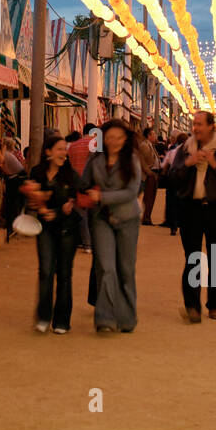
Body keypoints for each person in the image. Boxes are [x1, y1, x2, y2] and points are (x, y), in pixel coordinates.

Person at [168, 111, 216, 322]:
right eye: (194, 124)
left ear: (211, 126)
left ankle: (215, 305)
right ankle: (192, 306)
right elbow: (172, 178)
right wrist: (188, 163)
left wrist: (215, 164)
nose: (196, 128)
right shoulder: (185, 150)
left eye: (200, 124)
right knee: (192, 258)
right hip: (190, 208)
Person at [82, 118, 142, 333]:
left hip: (128, 219)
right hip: (101, 219)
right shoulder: (95, 158)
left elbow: (131, 192)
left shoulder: (132, 160)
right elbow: (84, 182)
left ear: (125, 139)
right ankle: (105, 318)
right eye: (109, 137)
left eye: (118, 138)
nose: (114, 142)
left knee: (126, 269)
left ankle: (127, 318)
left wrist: (102, 197)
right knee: (106, 267)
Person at [21, 134, 84, 333]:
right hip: (45, 229)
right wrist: (41, 208)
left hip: (67, 229)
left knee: (64, 274)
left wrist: (62, 209)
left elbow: (76, 200)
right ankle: (43, 317)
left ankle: (62, 321)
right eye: (59, 149)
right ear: (48, 152)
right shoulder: (37, 172)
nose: (64, 153)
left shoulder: (71, 175)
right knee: (45, 271)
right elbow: (31, 196)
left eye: (65, 149)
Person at [138, 127, 160, 225]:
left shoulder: (151, 145)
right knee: (148, 197)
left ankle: (147, 217)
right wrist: (149, 172)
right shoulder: (144, 145)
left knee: (151, 196)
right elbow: (142, 161)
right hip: (150, 174)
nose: (155, 136)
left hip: (154, 173)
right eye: (153, 134)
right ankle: (146, 218)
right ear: (149, 135)